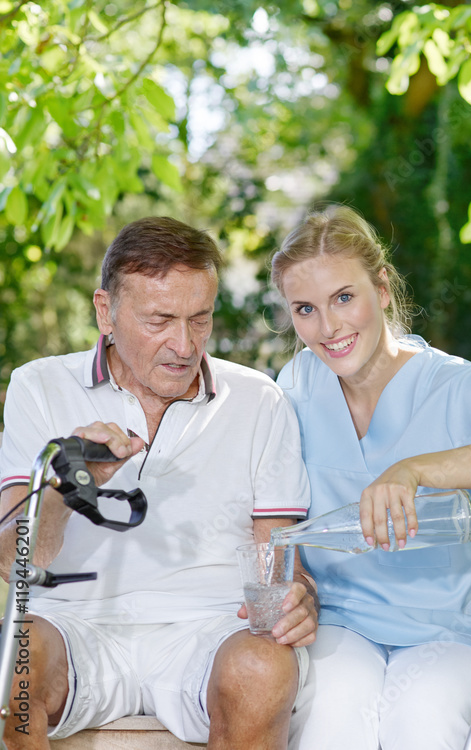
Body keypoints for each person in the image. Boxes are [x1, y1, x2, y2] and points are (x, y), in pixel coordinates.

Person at [0, 217, 317, 750]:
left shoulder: (259, 399)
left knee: (265, 666)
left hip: (209, 629)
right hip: (73, 625)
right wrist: (66, 487)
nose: (184, 344)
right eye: (159, 320)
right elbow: (14, 560)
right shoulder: (40, 385)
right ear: (106, 312)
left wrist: (300, 598)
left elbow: (282, 563)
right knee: (14, 669)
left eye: (200, 319)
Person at [270, 205, 471, 750]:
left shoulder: (456, 384)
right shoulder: (297, 386)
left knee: (419, 713)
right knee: (329, 713)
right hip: (341, 622)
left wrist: (415, 470)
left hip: (453, 629)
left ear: (381, 289)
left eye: (344, 298)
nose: (328, 328)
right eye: (305, 309)